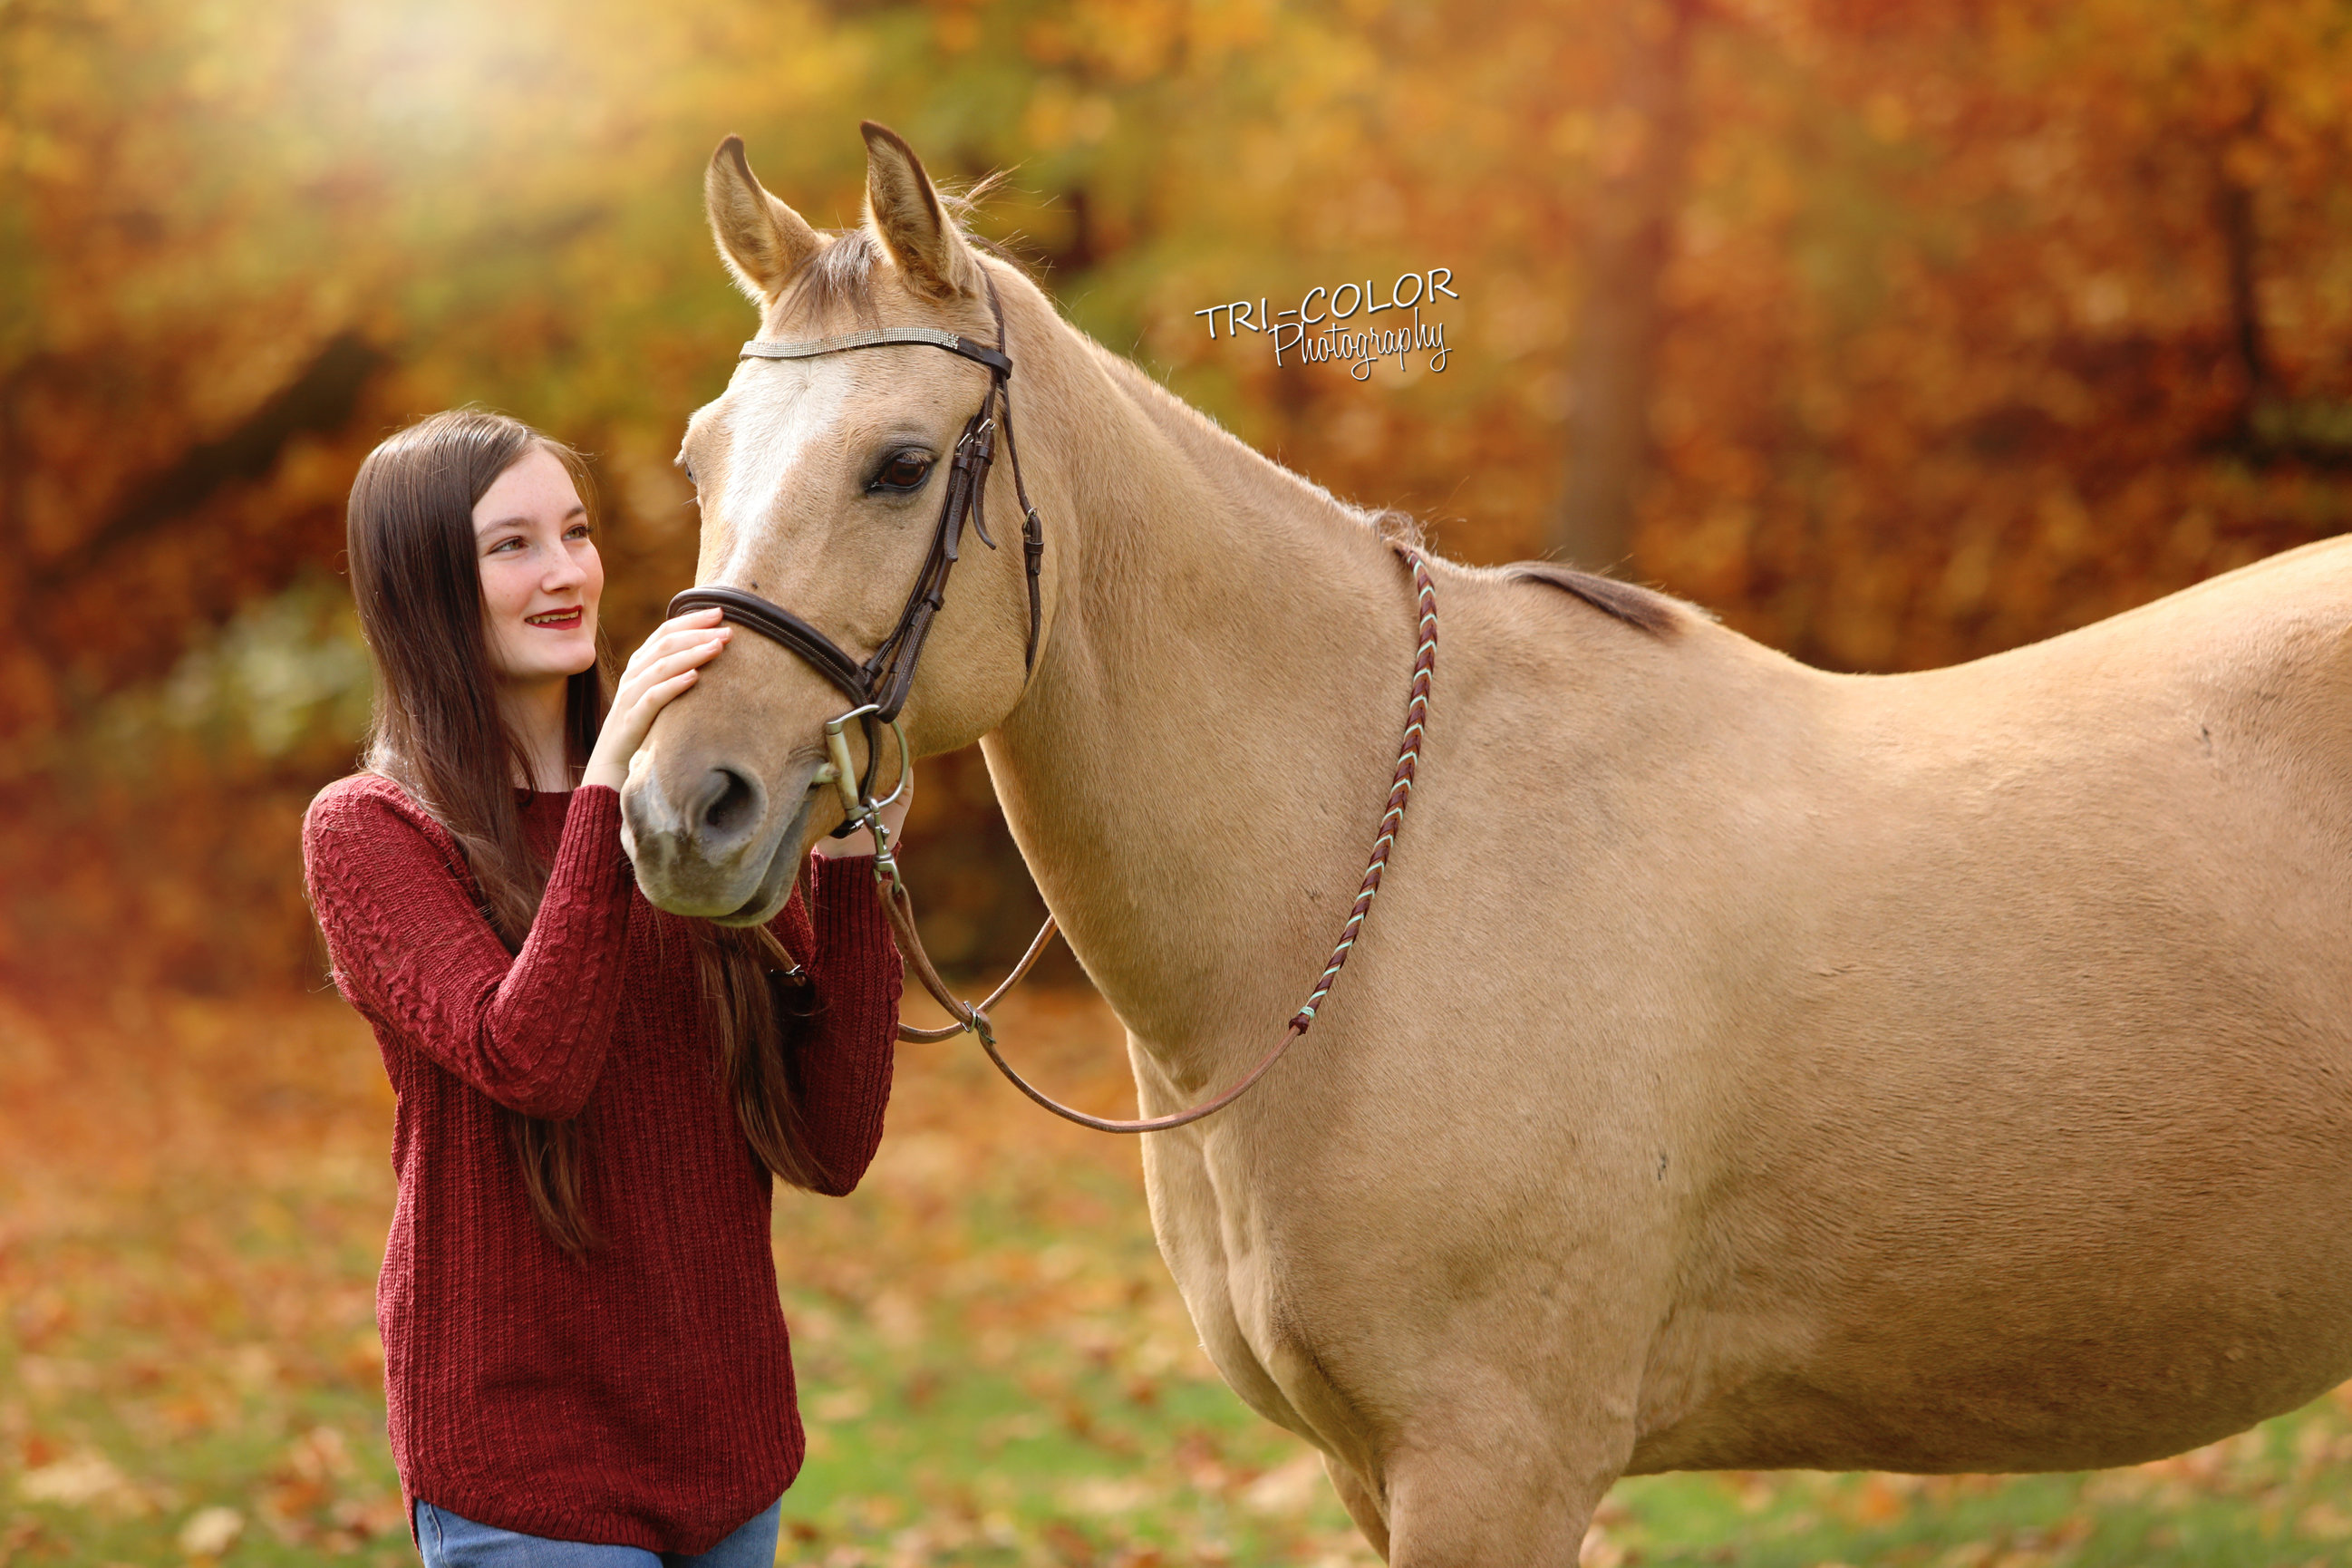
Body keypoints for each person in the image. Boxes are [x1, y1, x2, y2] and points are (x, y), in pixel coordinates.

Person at [301, 408, 905, 1566]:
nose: (566, 569)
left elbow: (831, 1145)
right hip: (523, 1470)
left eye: (575, 532)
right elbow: (535, 1055)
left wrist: (846, 852)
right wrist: (609, 776)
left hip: (728, 1452)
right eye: (512, 544)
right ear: (427, 586)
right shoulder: (372, 829)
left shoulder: (686, 804)